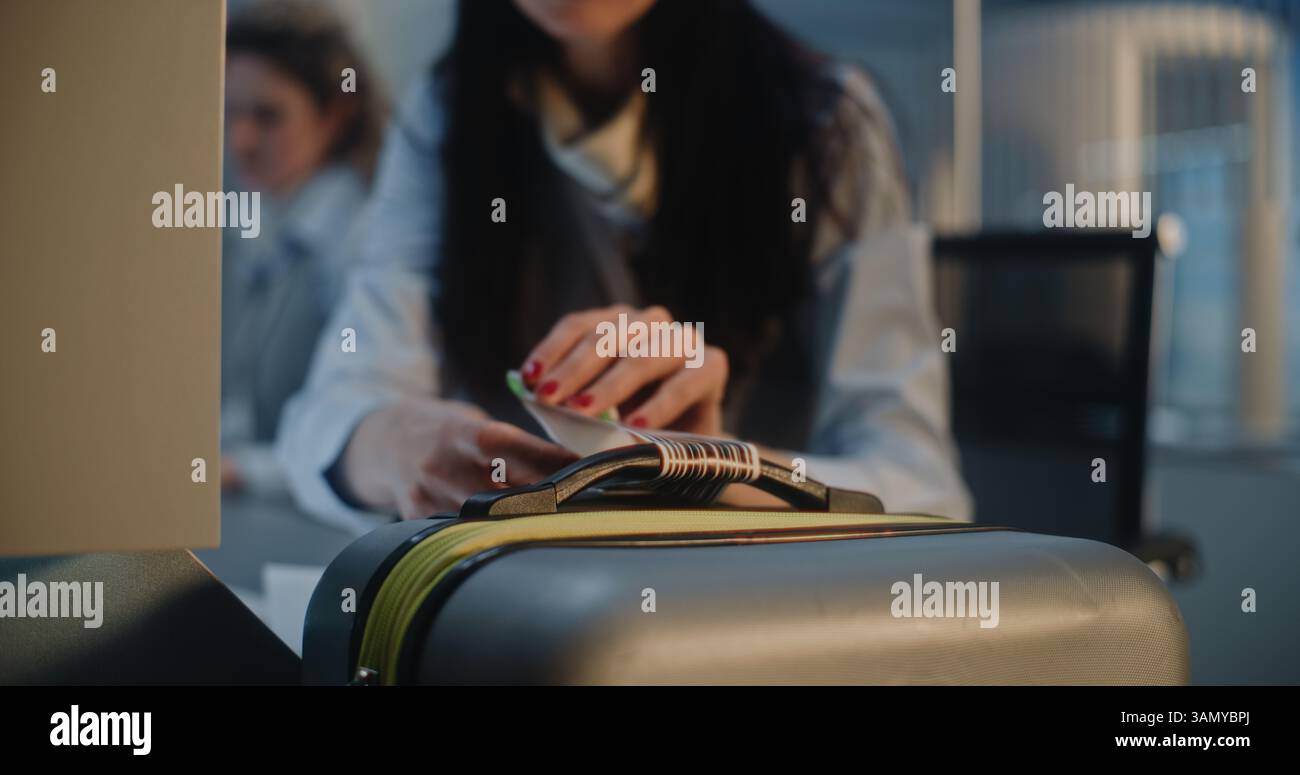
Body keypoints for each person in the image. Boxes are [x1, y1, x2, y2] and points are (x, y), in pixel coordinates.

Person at [278, 0, 973, 531]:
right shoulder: (447, 114)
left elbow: (925, 488)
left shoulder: (825, 125)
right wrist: (398, 444)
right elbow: (326, 418)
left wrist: (717, 467)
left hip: (749, 618)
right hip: (510, 617)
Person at [220, 0, 386, 494]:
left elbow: (367, 428)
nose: (240, 140)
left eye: (268, 116)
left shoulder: (362, 242)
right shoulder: (260, 224)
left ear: (336, 115)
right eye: (228, 114)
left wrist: (240, 470)